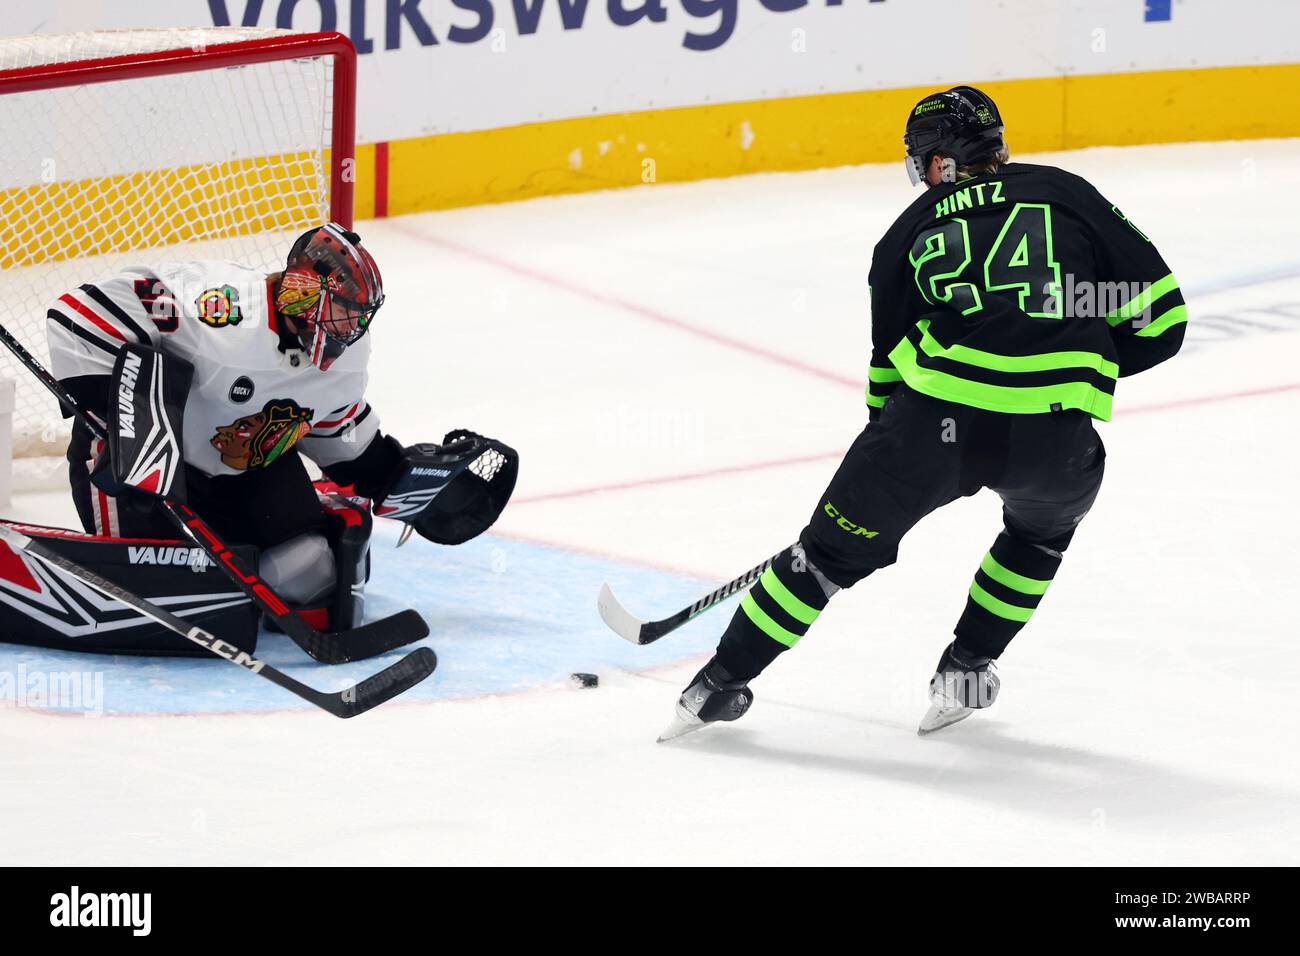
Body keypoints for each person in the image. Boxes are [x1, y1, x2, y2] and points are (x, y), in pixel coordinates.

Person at [661, 86, 1187, 740]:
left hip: (930, 429)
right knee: (1039, 536)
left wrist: (878, 472)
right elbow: (1161, 320)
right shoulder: (1064, 193)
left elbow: (886, 376)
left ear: (938, 163)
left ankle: (716, 685)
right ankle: (965, 671)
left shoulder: (905, 234)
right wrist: (1075, 353)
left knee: (821, 559)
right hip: (1053, 435)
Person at [41, 223, 516, 642]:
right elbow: (78, 316)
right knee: (166, 597)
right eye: (341, 312)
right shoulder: (216, 309)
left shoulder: (347, 351)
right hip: (143, 472)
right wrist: (126, 424)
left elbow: (334, 425)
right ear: (302, 292)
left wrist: (388, 474)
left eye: (358, 316)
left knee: (312, 571)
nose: (349, 329)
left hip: (245, 469)